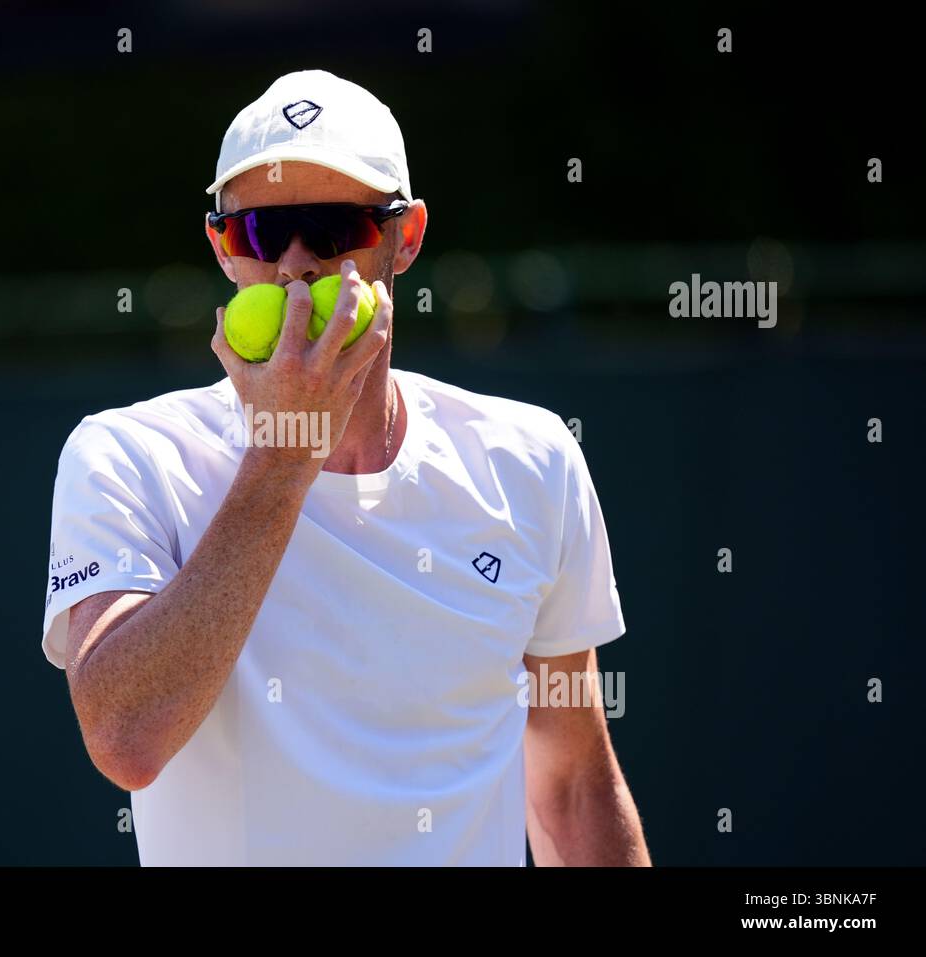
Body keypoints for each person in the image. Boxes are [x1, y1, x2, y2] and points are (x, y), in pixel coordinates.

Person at [42, 69, 650, 866]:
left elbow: (572, 782)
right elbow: (126, 737)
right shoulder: (125, 456)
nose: (295, 263)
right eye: (258, 231)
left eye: (334, 228)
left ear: (407, 236)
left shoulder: (530, 461)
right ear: (222, 250)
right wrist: (288, 451)